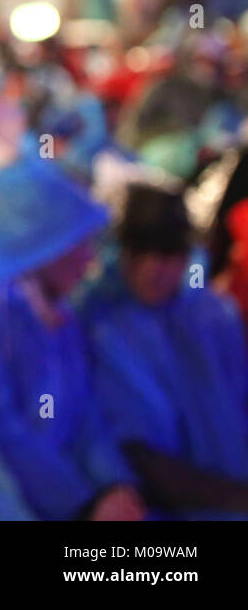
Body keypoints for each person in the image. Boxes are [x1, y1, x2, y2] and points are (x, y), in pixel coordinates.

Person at [0, 158, 145, 521]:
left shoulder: (46, 309)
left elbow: (82, 415)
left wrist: (113, 486)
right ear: (37, 239)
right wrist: (81, 502)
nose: (89, 260)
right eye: (77, 243)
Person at [83, 183, 248, 518]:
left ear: (186, 256)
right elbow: (134, 452)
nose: (151, 269)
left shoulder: (213, 317)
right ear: (121, 252)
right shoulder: (100, 327)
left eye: (166, 255)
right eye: (139, 253)